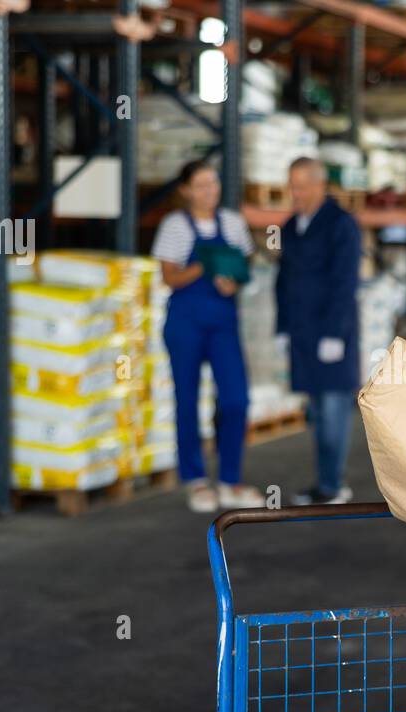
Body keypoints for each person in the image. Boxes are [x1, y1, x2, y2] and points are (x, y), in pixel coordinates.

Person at [151, 160, 265, 512]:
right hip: (185, 322)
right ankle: (196, 480)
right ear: (185, 189)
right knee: (187, 399)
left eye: (213, 183)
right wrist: (205, 265)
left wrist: (233, 279)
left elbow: (244, 265)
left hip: (223, 321)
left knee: (236, 399)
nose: (209, 191)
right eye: (201, 185)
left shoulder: (232, 223)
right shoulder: (174, 226)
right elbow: (169, 277)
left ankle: (230, 479)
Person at [275, 157, 362, 505]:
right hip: (301, 330)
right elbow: (283, 281)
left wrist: (334, 333)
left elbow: (345, 281)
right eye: (292, 186)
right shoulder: (290, 226)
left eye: (302, 185)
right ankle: (324, 482)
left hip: (330, 332)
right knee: (316, 408)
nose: (296, 193)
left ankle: (333, 485)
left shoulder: (341, 224)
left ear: (320, 185)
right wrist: (283, 325)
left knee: (332, 408)